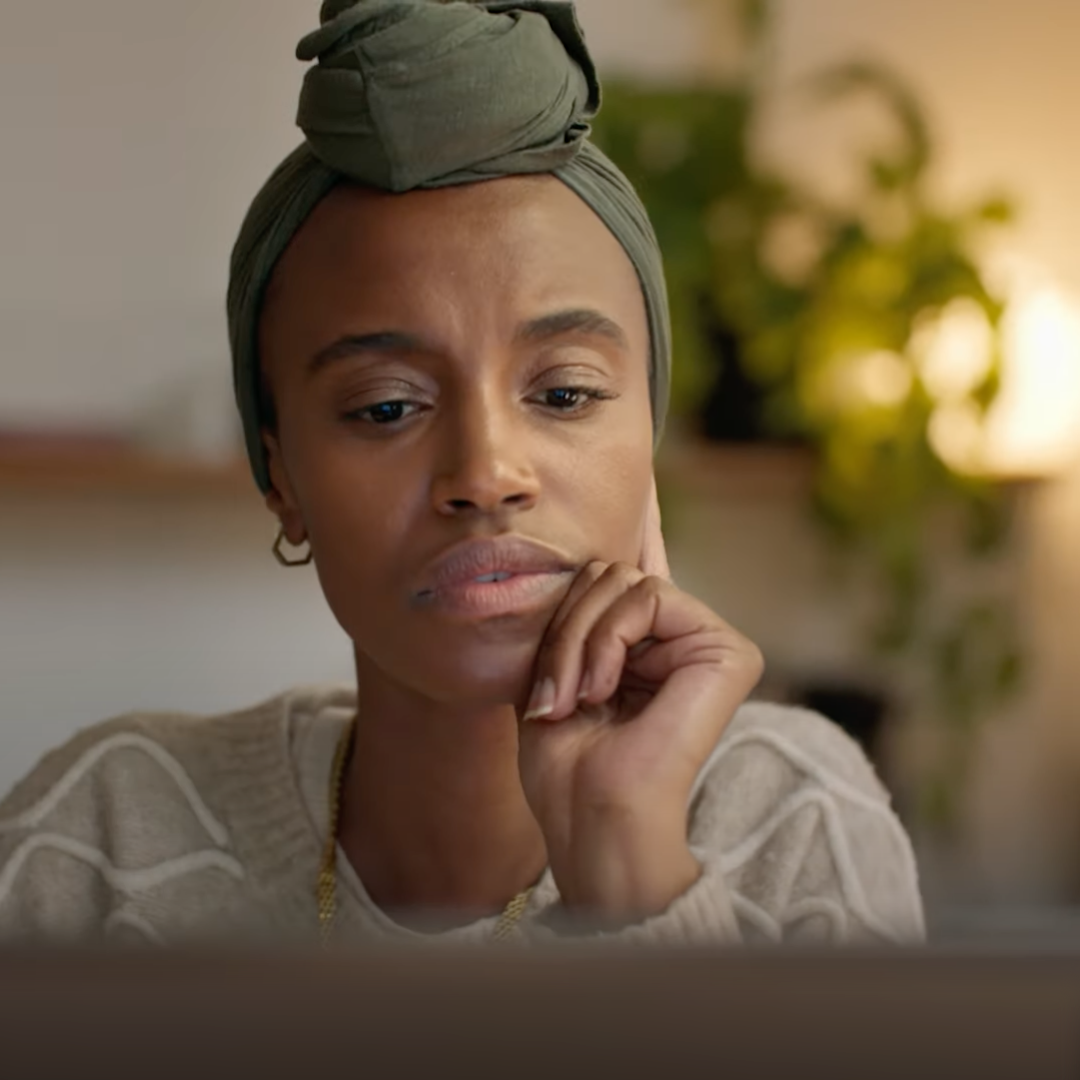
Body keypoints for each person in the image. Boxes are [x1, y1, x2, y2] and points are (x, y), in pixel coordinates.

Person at [0, 0, 923, 947]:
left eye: (564, 393)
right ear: (280, 477)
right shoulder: (106, 844)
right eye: (387, 407)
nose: (486, 474)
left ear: (648, 430)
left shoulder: (791, 822)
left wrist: (628, 859)